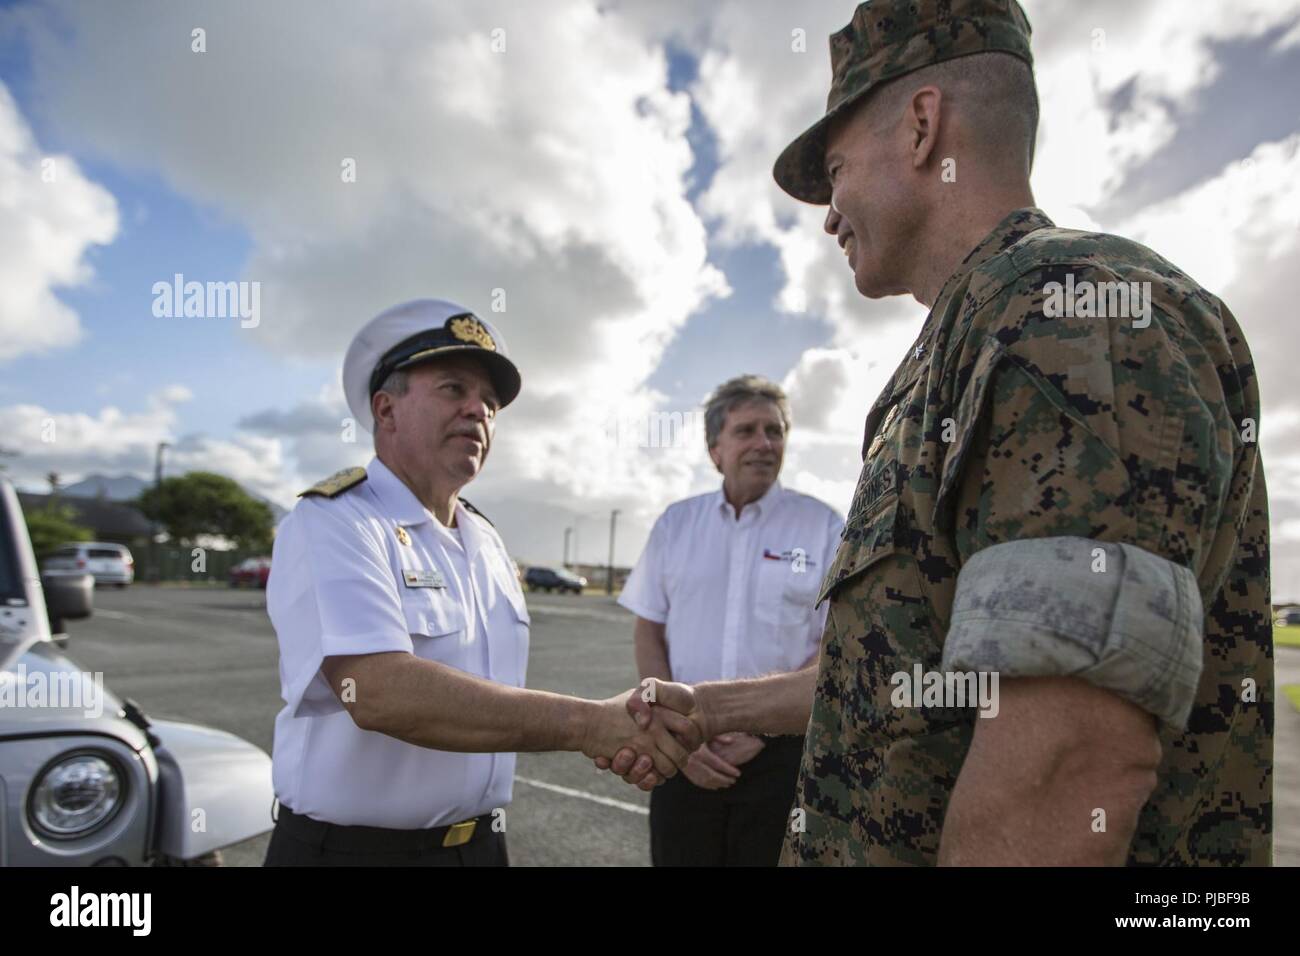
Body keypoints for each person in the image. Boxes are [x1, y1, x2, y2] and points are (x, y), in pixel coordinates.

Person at [610, 0, 1274, 867]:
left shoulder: (1068, 317)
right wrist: (709, 707)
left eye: (837, 170)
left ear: (922, 127)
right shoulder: (965, 342)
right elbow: (898, 677)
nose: (829, 214)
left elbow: (1067, 770)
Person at [264, 299, 698, 867]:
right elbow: (376, 692)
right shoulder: (335, 521)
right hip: (355, 853)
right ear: (385, 409)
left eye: (490, 404)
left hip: (480, 848)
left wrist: (623, 730)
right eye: (453, 389)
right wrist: (590, 725)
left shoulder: (487, 541)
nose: (479, 411)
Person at [616, 375, 843, 865]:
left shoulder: (825, 527)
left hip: (782, 756)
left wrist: (760, 724)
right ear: (714, 448)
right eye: (747, 431)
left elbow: (836, 642)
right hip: (681, 751)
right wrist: (673, 728)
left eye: (775, 430)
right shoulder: (676, 525)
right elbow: (649, 627)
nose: (764, 443)